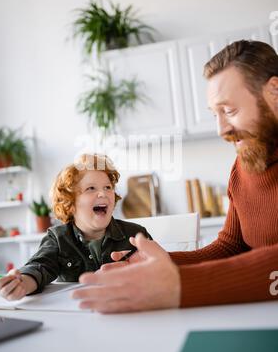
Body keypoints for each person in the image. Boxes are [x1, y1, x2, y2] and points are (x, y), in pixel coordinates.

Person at [72, 40, 278, 313]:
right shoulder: (242, 166)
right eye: (215, 114)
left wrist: (182, 284)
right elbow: (231, 246)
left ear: (274, 91)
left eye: (229, 111)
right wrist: (162, 262)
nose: (221, 129)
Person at [0, 153, 151, 300]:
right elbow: (39, 267)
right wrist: (22, 283)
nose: (103, 194)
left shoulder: (136, 234)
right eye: (91, 188)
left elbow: (161, 270)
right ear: (70, 203)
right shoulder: (58, 238)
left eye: (107, 187)